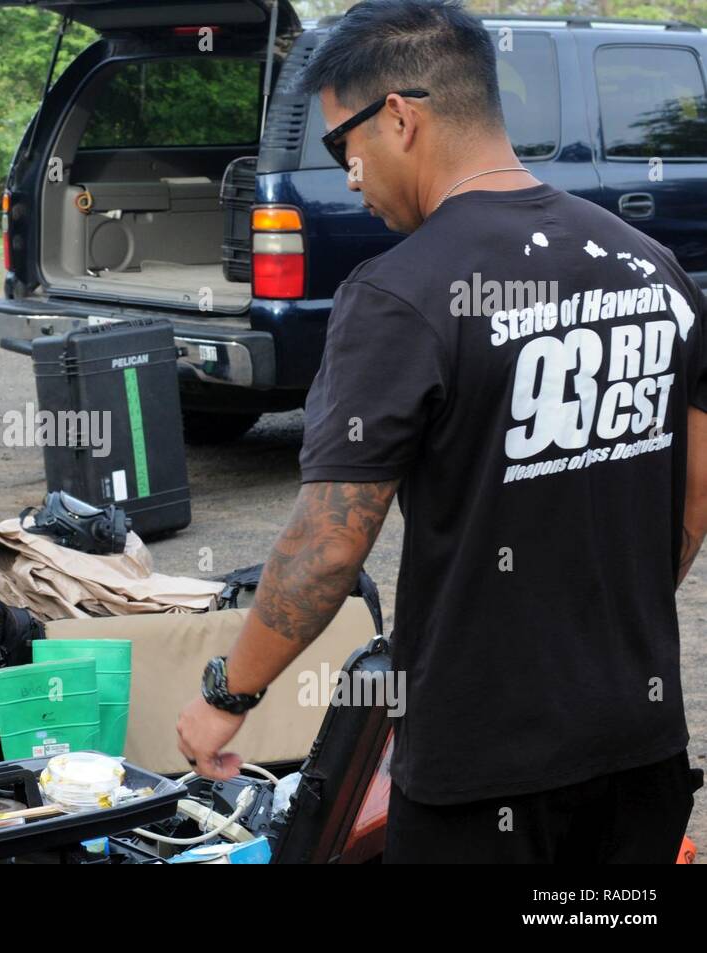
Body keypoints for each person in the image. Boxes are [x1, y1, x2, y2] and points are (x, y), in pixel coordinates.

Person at [176, 0, 702, 863]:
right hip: (638, 746)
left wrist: (228, 691)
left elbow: (328, 545)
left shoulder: (397, 294)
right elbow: (692, 496)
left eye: (343, 146)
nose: (348, 176)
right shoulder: (657, 268)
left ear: (400, 118)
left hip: (483, 775)